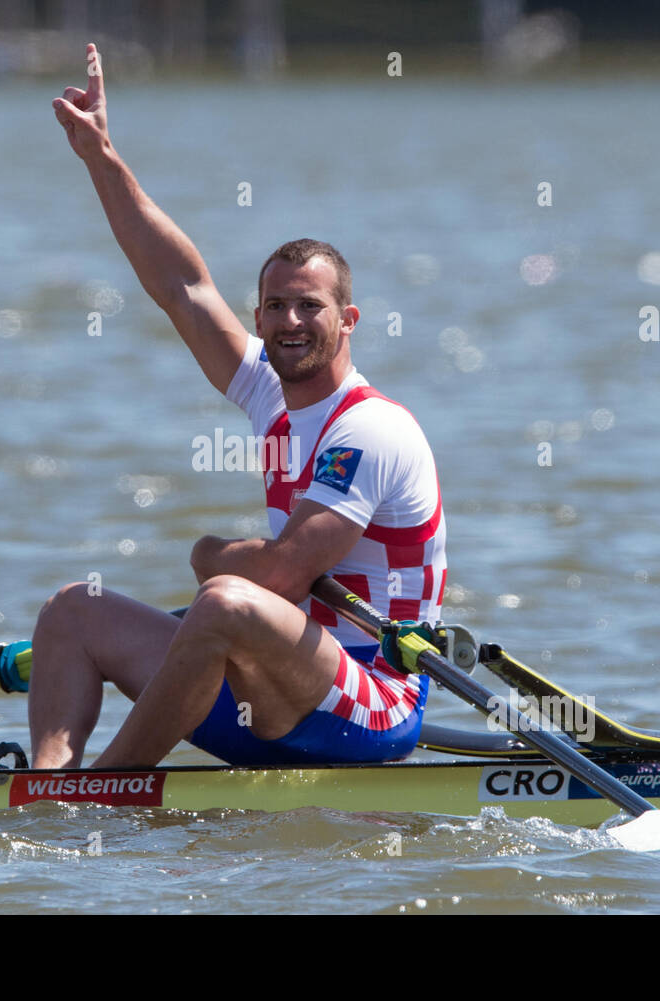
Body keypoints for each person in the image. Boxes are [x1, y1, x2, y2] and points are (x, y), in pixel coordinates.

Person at [25, 43, 446, 770]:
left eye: (309, 307)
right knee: (73, 610)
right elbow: (180, 284)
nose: (289, 321)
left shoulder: (369, 428)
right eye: (275, 306)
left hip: (373, 703)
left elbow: (280, 575)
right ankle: (47, 784)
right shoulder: (266, 391)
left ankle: (102, 791)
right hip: (276, 684)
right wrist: (100, 157)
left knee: (223, 596)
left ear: (348, 320)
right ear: (258, 316)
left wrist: (206, 554)